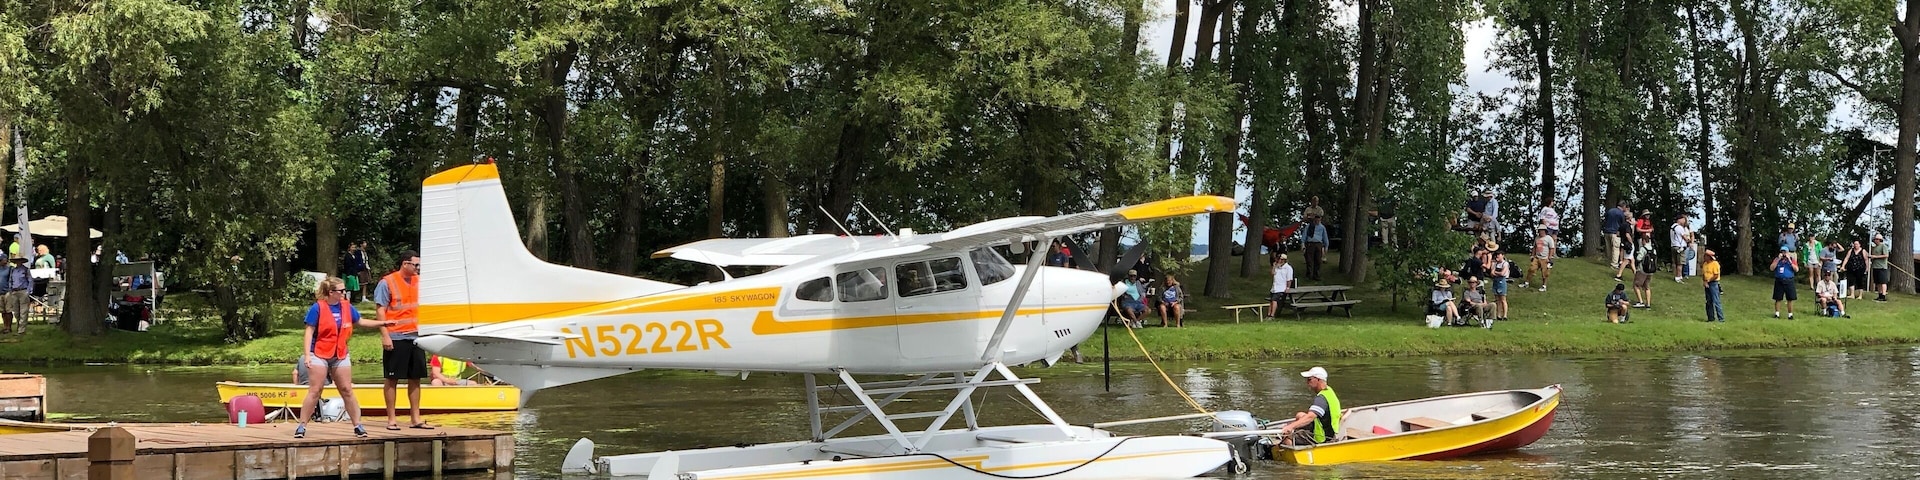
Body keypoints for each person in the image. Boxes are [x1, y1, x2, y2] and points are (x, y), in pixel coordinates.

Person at [294, 277, 396, 439]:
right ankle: (302, 426)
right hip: (319, 352)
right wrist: (307, 355)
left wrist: (383, 323)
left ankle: (358, 426)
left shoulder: (347, 306)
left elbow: (360, 321)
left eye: (344, 290)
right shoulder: (318, 308)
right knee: (315, 390)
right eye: (341, 290)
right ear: (331, 292)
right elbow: (309, 332)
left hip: (340, 353)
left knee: (347, 389)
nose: (344, 293)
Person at [376, 250, 431, 430]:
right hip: (396, 336)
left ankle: (415, 418)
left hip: (416, 336)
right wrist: (385, 335)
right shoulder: (387, 282)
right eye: (415, 265)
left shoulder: (419, 281)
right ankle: (391, 419)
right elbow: (380, 310)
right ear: (405, 264)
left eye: (419, 265)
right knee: (392, 378)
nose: (418, 268)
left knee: (415, 377)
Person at [1275, 367, 1341, 446]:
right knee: (1300, 415)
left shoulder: (1321, 399)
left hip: (1322, 438)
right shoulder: (1329, 391)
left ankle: (1290, 450)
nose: (1307, 382)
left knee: (1287, 437)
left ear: (1318, 380)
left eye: (1309, 379)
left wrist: (1290, 426)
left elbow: (1310, 417)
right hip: (1330, 432)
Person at [1520, 227, 1554, 292]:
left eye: (1541, 230)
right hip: (1537, 257)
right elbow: (1535, 247)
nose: (1540, 232)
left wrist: (1549, 257)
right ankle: (1526, 283)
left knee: (1545, 273)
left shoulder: (1549, 238)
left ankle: (1544, 286)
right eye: (1539, 230)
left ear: (1545, 231)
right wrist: (1532, 255)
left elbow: (1551, 248)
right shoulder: (1537, 238)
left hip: (1545, 258)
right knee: (1531, 269)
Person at [1771, 246, 1799, 319]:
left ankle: (1790, 314)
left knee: (1790, 298)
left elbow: (1796, 269)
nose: (1783, 253)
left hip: (1789, 280)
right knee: (1778, 298)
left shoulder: (1791, 260)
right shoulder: (1777, 259)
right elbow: (1772, 268)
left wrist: (1789, 260)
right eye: (1782, 252)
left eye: (1785, 252)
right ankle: (1777, 314)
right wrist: (1778, 260)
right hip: (1779, 280)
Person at [1, 255, 25, 334]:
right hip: (0, 292)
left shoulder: (10, 269)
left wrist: (11, 288)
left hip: (8, 291)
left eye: (3, 259)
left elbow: (12, 279)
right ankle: (5, 326)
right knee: (3, 311)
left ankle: (9, 327)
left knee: (8, 310)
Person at [1632, 234, 1657, 309]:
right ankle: (1648, 304)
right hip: (1651, 270)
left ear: (1643, 240)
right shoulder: (1653, 249)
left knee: (1636, 285)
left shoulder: (1643, 249)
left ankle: (1640, 301)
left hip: (1642, 270)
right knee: (1647, 286)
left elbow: (1639, 258)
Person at [1268, 254, 1296, 320]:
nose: (1279, 261)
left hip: (1281, 288)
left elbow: (1289, 279)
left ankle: (1272, 315)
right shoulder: (1277, 267)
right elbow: (1272, 273)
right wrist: (1274, 266)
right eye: (1278, 259)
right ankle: (1269, 314)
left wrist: (1288, 287)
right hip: (1274, 287)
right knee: (1271, 301)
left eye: (1280, 259)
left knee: (1274, 300)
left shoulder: (1288, 268)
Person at [1301, 216, 1328, 281]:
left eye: (1318, 220)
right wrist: (1303, 243)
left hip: (1318, 244)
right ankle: (1309, 275)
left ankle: (1316, 275)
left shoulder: (1322, 227)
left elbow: (1325, 236)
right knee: (1309, 260)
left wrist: (1326, 246)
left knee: (1318, 260)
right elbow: (1304, 235)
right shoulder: (1309, 226)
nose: (1317, 221)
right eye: (1316, 220)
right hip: (1310, 243)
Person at [1602, 202, 1627, 271]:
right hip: (1615, 232)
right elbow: (1622, 224)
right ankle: (1614, 264)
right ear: (1623, 206)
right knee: (1615, 248)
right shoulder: (1621, 213)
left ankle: (1609, 261)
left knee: (1608, 248)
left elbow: (1605, 219)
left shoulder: (1610, 211)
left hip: (1607, 231)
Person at [1670, 215, 1693, 283]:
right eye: (1684, 220)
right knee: (1680, 263)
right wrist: (1689, 241)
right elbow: (1685, 237)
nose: (1684, 221)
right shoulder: (1679, 227)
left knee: (1675, 262)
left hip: (1673, 246)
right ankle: (1678, 277)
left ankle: (1676, 275)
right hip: (1680, 247)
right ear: (1680, 219)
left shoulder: (1672, 227)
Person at [1702, 250, 1724, 322]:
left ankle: (1721, 318)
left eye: (1705, 256)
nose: (1704, 257)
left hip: (1713, 283)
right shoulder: (1705, 264)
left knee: (1716, 301)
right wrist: (1704, 281)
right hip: (1707, 283)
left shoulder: (1715, 264)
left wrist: (1708, 280)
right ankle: (1710, 318)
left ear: (1709, 257)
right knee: (1708, 301)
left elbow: (1716, 275)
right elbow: (1704, 274)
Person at [1869, 233, 1891, 302]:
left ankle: (1883, 296)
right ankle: (1880, 295)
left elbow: (1886, 255)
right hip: (1875, 266)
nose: (1875, 240)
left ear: (1879, 240)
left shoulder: (1883, 246)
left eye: (1876, 239)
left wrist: (1875, 257)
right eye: (1875, 239)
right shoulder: (1875, 247)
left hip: (1882, 267)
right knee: (1877, 282)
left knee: (1883, 282)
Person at [1490, 251, 1510, 322]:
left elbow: (1502, 273)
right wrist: (1495, 273)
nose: (1497, 256)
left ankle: (1505, 315)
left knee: (1503, 299)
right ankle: (1498, 315)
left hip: (1502, 281)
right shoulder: (1495, 264)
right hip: (1495, 281)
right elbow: (1491, 273)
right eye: (1496, 255)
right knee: (1497, 299)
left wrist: (1495, 272)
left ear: (1503, 255)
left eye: (1499, 255)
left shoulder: (1505, 264)